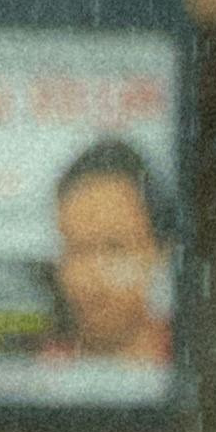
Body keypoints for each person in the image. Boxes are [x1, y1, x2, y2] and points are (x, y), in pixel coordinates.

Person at [42, 137, 175, 366]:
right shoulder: (42, 373)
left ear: (160, 254)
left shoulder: (190, 362)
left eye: (114, 249)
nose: (89, 279)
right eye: (75, 250)